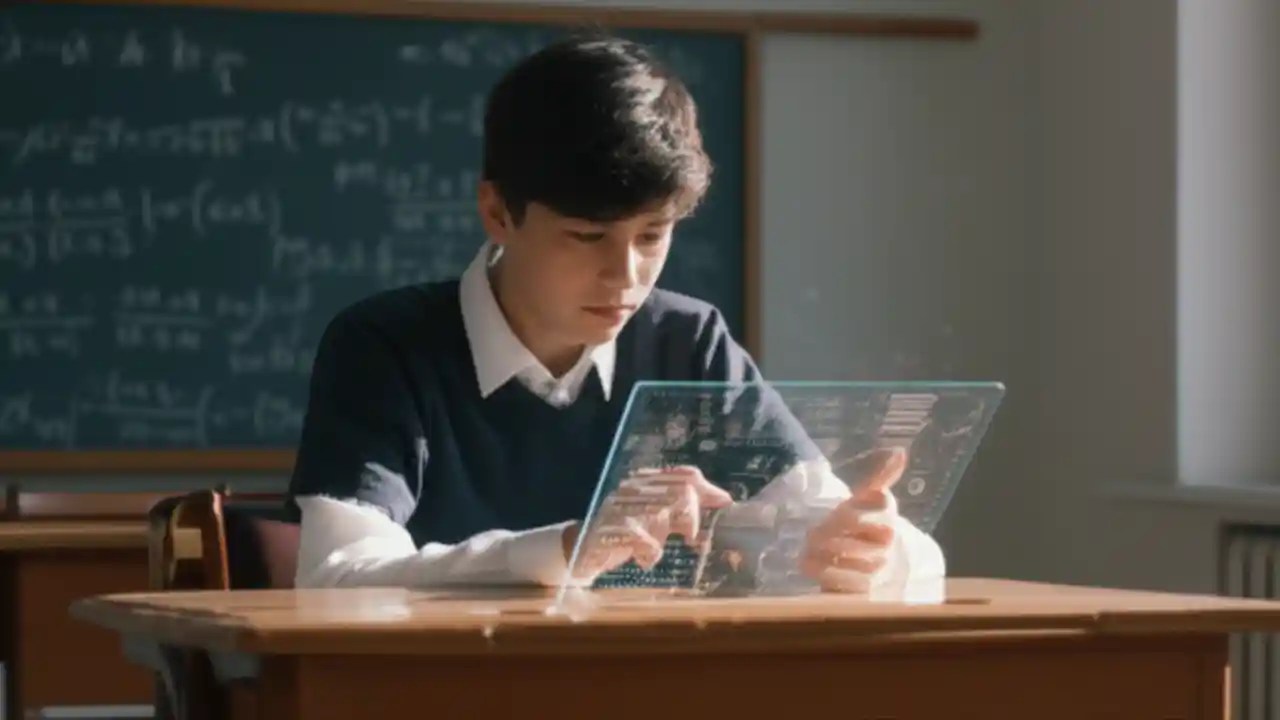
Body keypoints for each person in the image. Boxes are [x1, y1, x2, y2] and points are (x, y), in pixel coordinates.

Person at [287, 33, 944, 596]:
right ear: (497, 213)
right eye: (586, 236)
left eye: (653, 235)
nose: (626, 275)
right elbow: (335, 576)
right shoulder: (385, 345)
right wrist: (566, 550)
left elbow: (892, 547)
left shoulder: (689, 343)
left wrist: (873, 552)